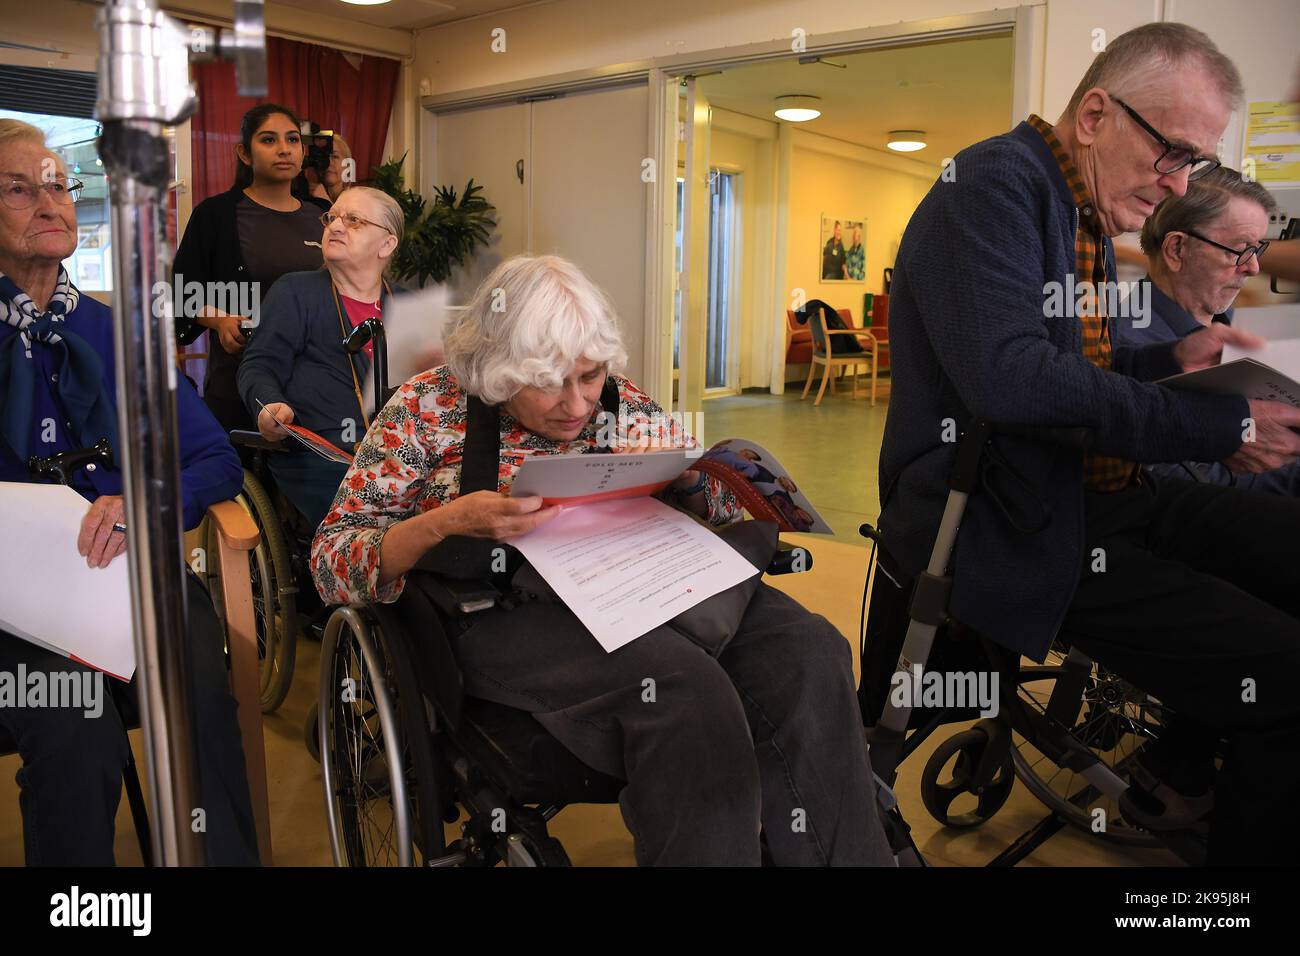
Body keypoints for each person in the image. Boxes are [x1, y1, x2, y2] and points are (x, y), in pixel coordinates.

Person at [312, 254, 893, 866]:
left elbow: (709, 504)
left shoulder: (621, 401)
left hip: (643, 583)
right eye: (548, 382)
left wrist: (696, 476)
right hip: (505, 610)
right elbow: (331, 560)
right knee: (685, 696)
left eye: (588, 377)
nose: (577, 405)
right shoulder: (425, 411)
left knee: (811, 649)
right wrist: (448, 521)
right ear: (497, 369)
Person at [877, 23, 1300, 865]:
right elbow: (1012, 379)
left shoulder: (1082, 205)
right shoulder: (993, 186)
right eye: (1172, 153)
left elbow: (1070, 370)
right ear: (1097, 113)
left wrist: (1166, 361)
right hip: (1020, 525)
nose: (1176, 183)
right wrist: (1222, 426)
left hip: (1099, 499)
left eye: (1193, 165)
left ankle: (1185, 762)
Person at [0, 119, 259, 865]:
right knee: (75, 722)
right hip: (17, 613)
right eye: (21, 188)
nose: (51, 202)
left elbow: (216, 460)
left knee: (201, 692)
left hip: (131, 582)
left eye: (59, 185)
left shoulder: (123, 336)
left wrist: (143, 502)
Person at [1122, 168, 1299, 496]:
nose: (1254, 268)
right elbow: (1186, 487)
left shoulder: (1226, 319)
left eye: (1256, 249)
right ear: (1177, 250)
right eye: (1239, 250)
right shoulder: (1128, 350)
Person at [237, 186, 404, 527]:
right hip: (322, 456)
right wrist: (268, 405)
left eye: (354, 220)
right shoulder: (295, 292)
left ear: (387, 244)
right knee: (385, 514)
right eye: (332, 218)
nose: (336, 226)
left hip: (402, 456)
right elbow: (258, 365)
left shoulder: (408, 302)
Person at [172, 103, 332, 434]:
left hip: (317, 384)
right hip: (241, 382)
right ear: (245, 154)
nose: (284, 149)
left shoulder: (323, 213)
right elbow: (178, 294)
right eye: (269, 140)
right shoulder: (216, 215)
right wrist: (218, 319)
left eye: (292, 140)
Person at [307, 132, 354, 205]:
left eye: (334, 156)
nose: (328, 163)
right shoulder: (307, 198)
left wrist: (325, 201)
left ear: (347, 164)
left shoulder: (357, 199)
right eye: (322, 157)